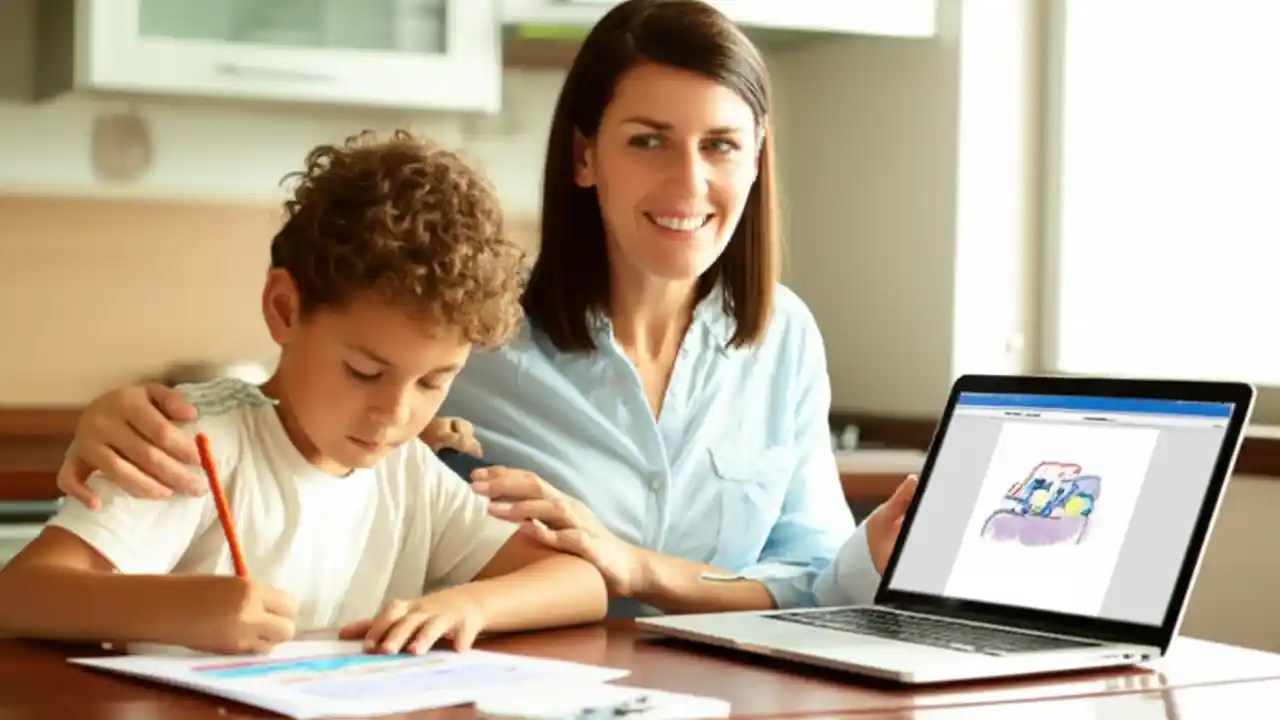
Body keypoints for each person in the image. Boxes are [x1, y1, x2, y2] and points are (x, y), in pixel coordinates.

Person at [52, 0, 916, 618]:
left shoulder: (784, 335)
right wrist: (123, 415)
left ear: (757, 160)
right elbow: (299, 408)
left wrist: (637, 568)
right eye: (647, 140)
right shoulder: (477, 330)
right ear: (585, 156)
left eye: (721, 146)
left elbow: (812, 574)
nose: (689, 183)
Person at [0, 131, 607, 654]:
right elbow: (20, 595)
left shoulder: (405, 471)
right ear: (285, 309)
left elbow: (581, 581)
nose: (395, 414)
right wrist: (176, 608)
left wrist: (470, 606)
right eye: (365, 373)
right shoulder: (193, 444)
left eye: (432, 382)